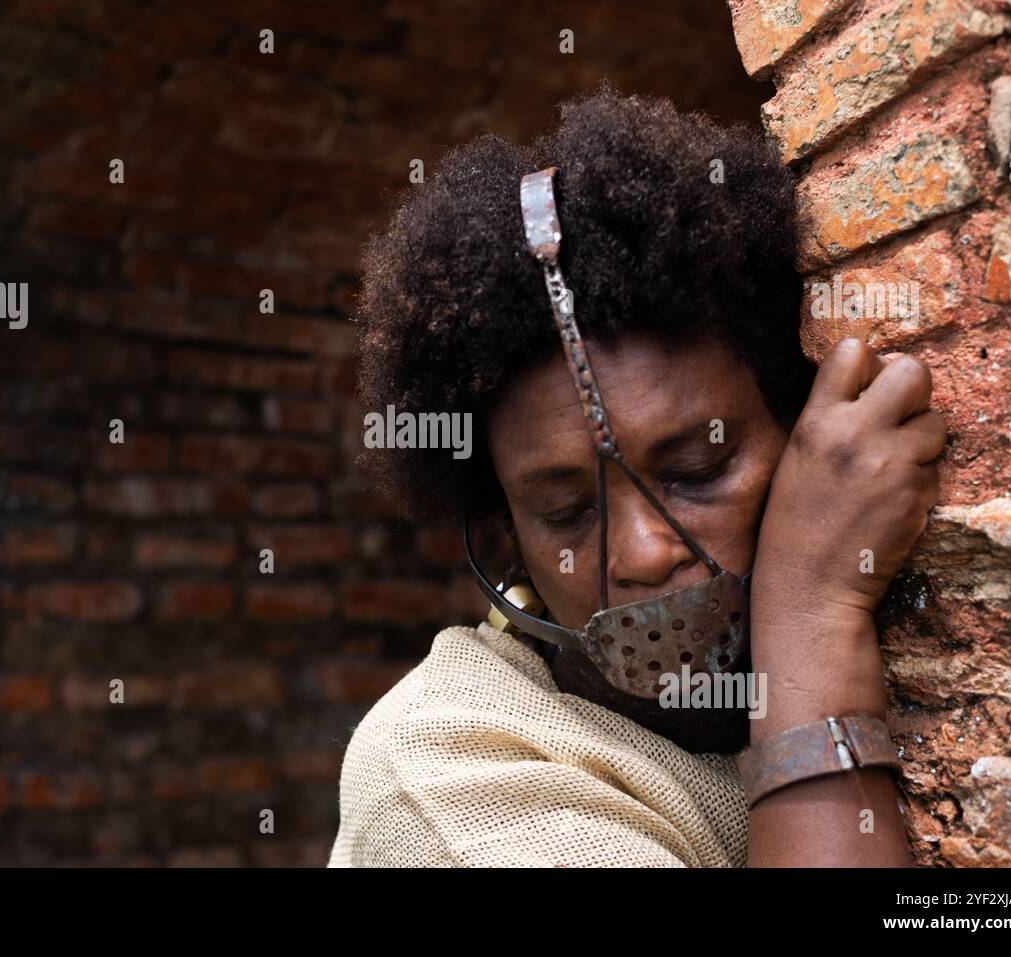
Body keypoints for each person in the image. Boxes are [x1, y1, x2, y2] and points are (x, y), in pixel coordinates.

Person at [328, 86, 945, 867]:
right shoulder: (447, 782)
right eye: (566, 511)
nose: (645, 552)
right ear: (506, 533)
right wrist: (810, 614)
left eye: (698, 469)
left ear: (806, 435)